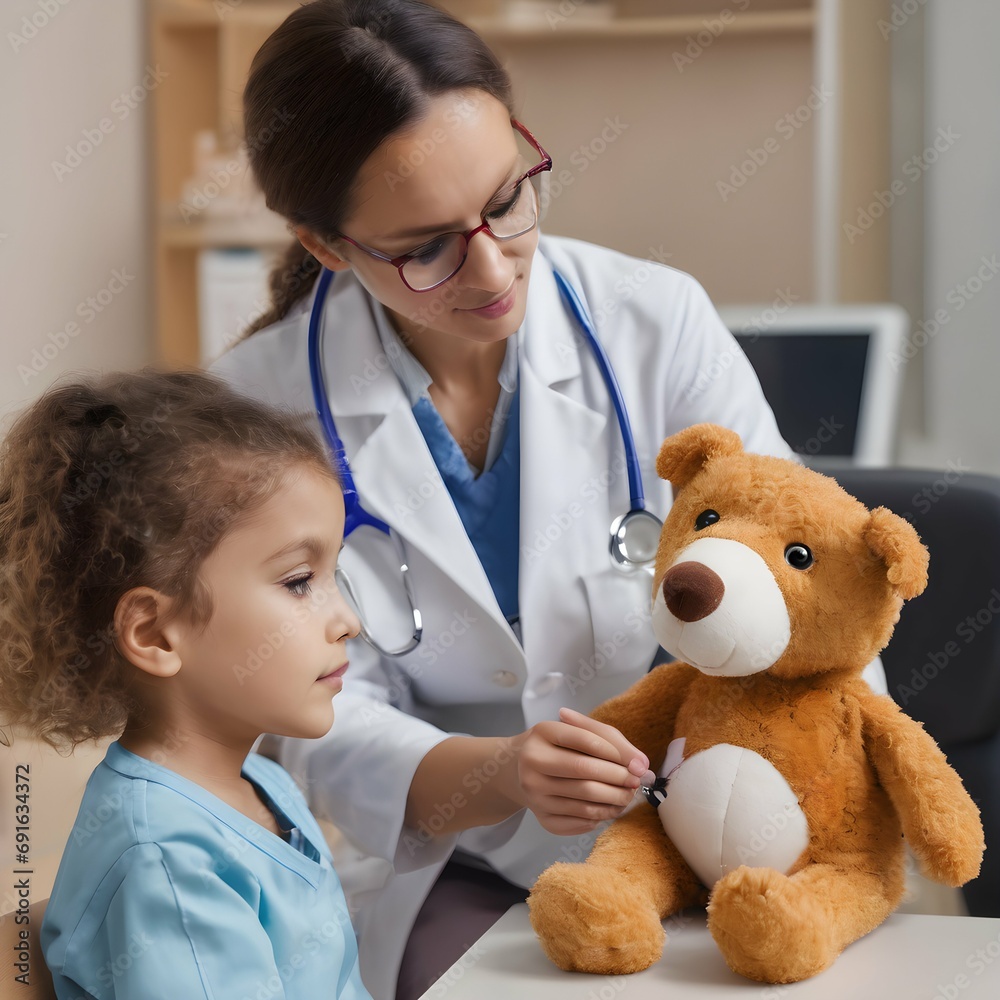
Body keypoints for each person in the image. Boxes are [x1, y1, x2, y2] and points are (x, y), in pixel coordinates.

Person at [212, 2, 882, 998]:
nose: (492, 267)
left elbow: (805, 577)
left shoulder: (652, 323)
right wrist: (497, 772)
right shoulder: (256, 406)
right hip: (461, 858)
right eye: (427, 246)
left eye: (508, 198)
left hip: (731, 818)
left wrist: (832, 830)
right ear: (325, 245)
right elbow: (296, 711)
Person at [0, 369, 370, 999]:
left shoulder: (264, 784)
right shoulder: (167, 859)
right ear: (156, 633)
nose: (349, 621)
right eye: (299, 580)